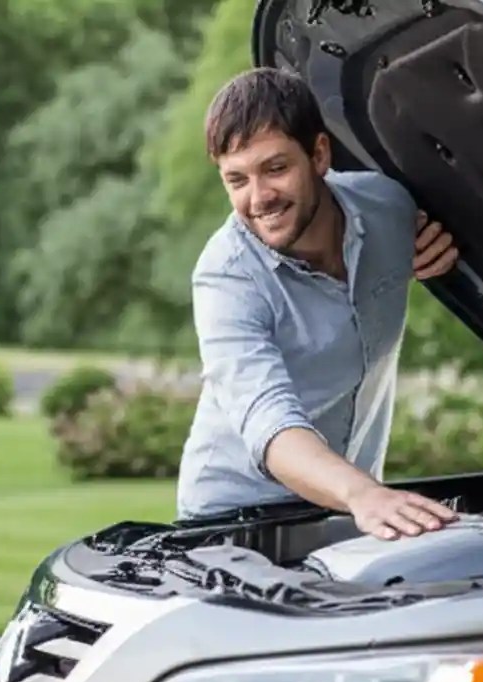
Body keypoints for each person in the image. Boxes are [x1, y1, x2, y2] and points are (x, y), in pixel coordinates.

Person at [176, 67, 461, 541]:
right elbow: (269, 422)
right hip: (234, 521)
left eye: (275, 169)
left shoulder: (389, 209)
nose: (259, 198)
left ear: (320, 154)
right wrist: (363, 494)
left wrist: (445, 250)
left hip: (347, 507)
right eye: (236, 180)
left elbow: (461, 225)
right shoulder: (225, 276)